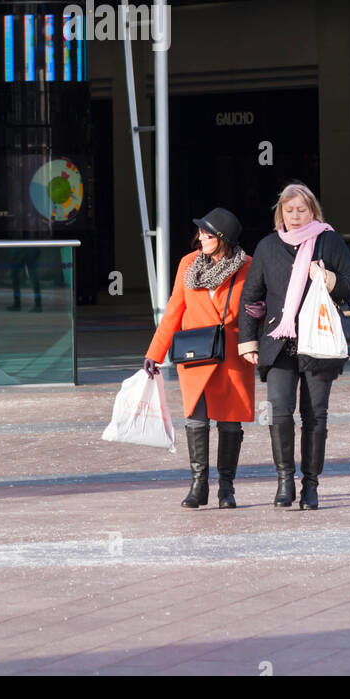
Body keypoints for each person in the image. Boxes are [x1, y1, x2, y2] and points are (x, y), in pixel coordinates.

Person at [238, 183, 350, 511]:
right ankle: (284, 480)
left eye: (301, 210)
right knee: (279, 411)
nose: (294, 216)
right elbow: (252, 298)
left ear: (313, 212)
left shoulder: (328, 241)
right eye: (288, 210)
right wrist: (248, 341)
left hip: (318, 343)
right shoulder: (267, 246)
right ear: (281, 212)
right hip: (280, 343)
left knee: (315, 414)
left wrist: (329, 279)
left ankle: (311, 486)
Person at [144, 208, 254, 509]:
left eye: (209, 233)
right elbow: (173, 312)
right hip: (195, 354)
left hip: (232, 355)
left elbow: (258, 310)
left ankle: (227, 488)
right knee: (196, 419)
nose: (201, 237)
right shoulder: (187, 264)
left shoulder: (247, 266)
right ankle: (198, 485)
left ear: (224, 239)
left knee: (230, 423)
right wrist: (155, 352)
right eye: (201, 231)